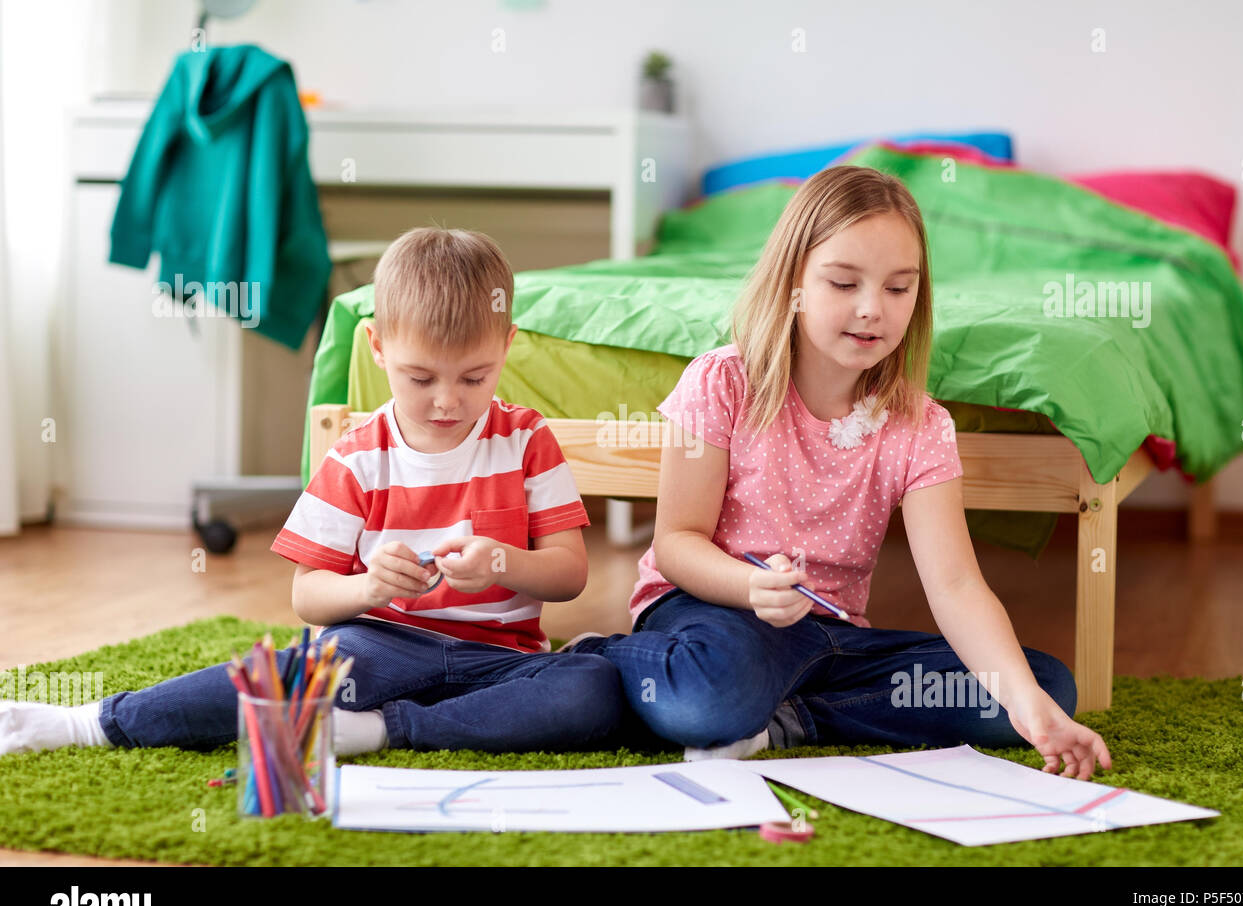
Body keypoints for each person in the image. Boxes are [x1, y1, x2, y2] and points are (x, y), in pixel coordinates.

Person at [565, 165, 1112, 781]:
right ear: (794, 282)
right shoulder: (721, 382)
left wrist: (1026, 706)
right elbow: (676, 544)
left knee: (1039, 686)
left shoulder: (920, 424)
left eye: (899, 289)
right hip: (711, 613)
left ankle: (787, 721)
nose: (871, 310)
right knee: (711, 693)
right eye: (844, 283)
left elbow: (956, 585)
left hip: (830, 642)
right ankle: (607, 659)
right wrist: (750, 589)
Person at [0, 227, 621, 757]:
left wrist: (504, 562)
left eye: (475, 377)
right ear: (377, 348)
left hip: (501, 663)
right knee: (290, 672)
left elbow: (568, 576)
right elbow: (308, 597)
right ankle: (93, 723)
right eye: (420, 376)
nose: (447, 400)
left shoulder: (526, 439)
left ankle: (381, 731)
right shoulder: (356, 456)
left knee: (590, 687)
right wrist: (369, 588)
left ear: (507, 346)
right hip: (381, 647)